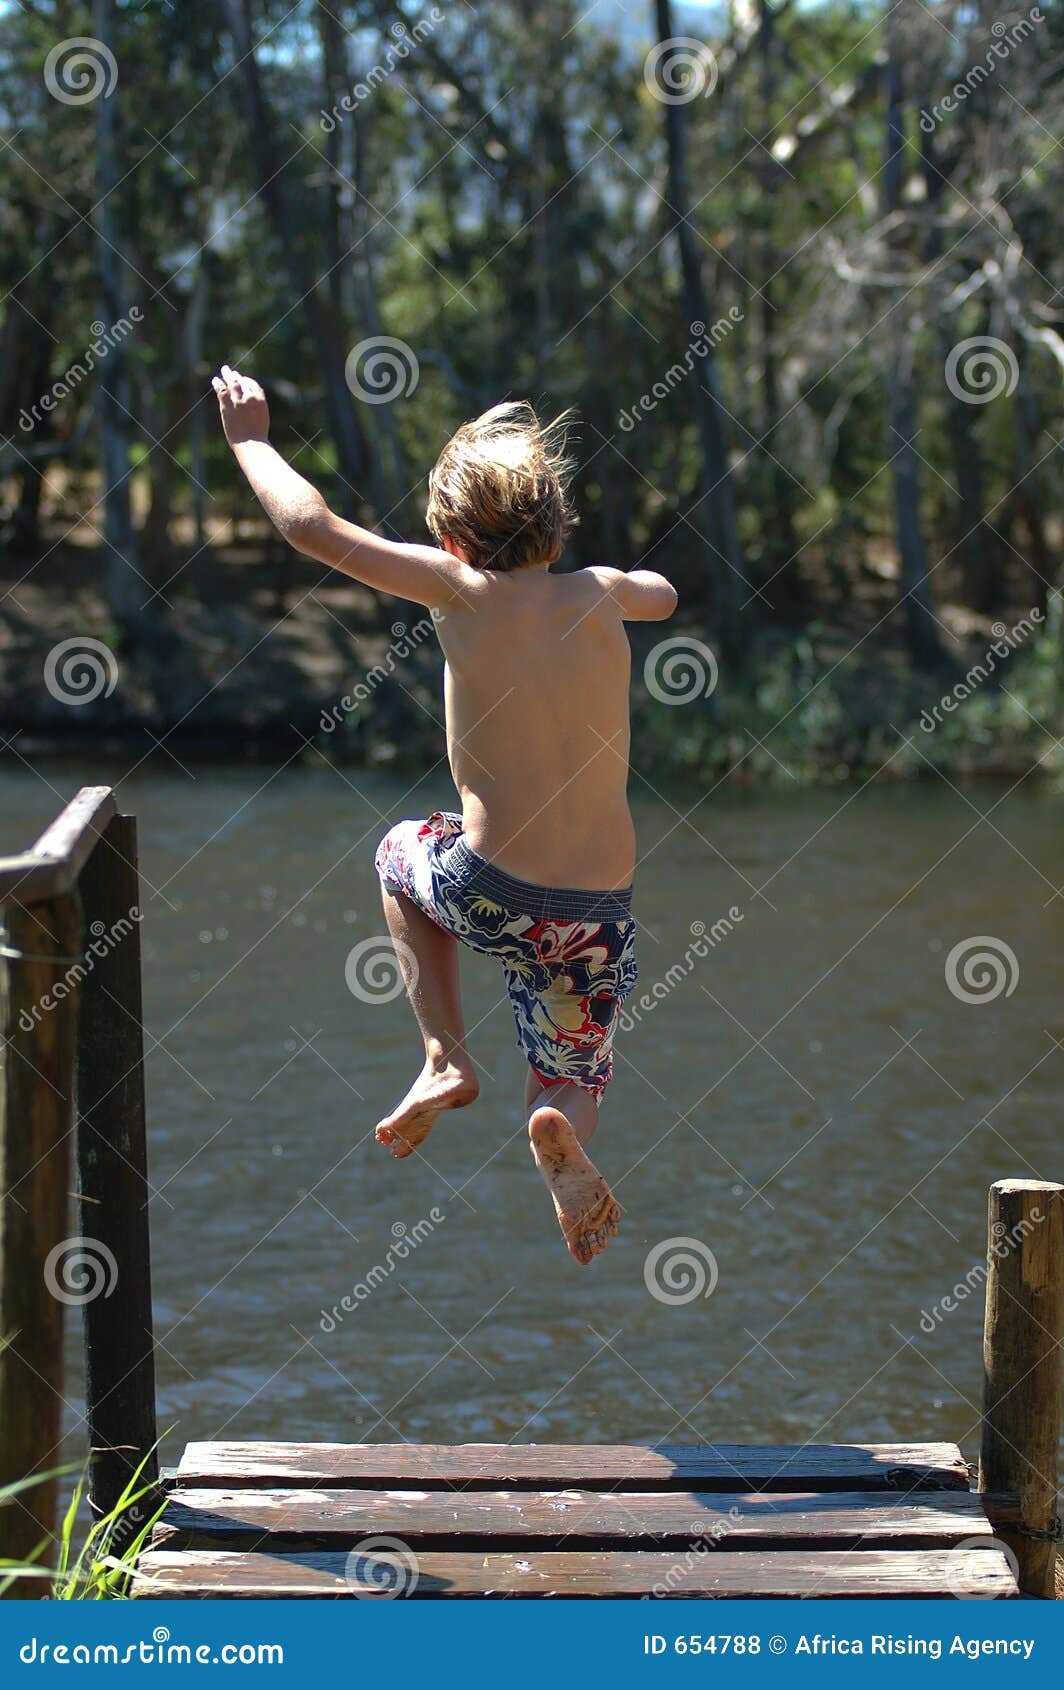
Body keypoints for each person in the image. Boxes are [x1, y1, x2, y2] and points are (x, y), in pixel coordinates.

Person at [213, 365, 677, 1263]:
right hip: (594, 917)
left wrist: (252, 441)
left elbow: (312, 528)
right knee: (577, 1069)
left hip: (488, 890)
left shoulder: (456, 589)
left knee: (398, 852)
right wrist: (622, 584)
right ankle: (557, 1119)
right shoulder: (598, 592)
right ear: (553, 520)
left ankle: (444, 1057)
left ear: (457, 538)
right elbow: (662, 594)